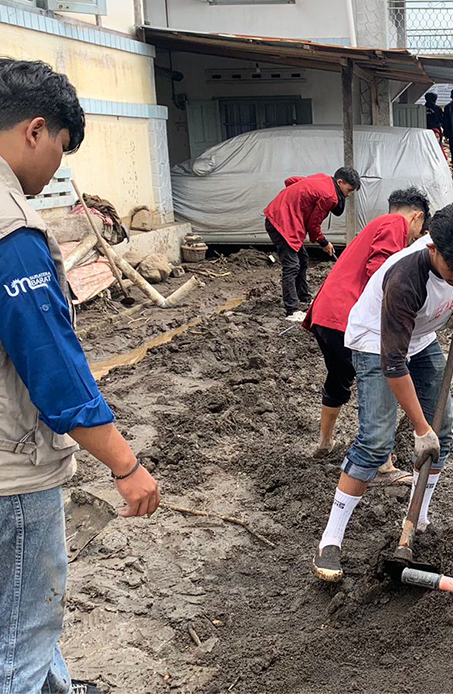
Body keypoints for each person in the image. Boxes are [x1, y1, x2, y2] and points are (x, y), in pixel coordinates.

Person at [0, 58, 160, 694]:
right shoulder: (13, 233)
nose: (56, 169)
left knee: (19, 614)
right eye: (61, 150)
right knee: (20, 636)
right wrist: (125, 464)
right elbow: (53, 368)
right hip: (11, 472)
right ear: (35, 130)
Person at [313, 202, 453, 581]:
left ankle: (418, 520)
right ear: (432, 247)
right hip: (376, 340)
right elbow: (394, 364)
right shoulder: (405, 278)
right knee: (376, 442)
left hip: (420, 336)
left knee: (443, 430)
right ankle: (331, 539)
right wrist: (419, 428)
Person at [303, 187, 431, 462]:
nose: (413, 240)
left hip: (325, 314)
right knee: (381, 380)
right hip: (346, 316)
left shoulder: (377, 223)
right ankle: (382, 463)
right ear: (417, 217)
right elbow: (382, 271)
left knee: (339, 377)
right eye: (417, 234)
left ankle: (325, 442)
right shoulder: (395, 224)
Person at [264, 167, 361, 321]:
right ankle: (292, 310)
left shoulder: (322, 178)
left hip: (282, 216)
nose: (348, 194)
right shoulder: (330, 197)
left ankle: (304, 298)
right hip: (282, 222)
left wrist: (296, 202)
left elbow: (291, 181)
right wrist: (324, 243)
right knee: (292, 266)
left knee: (302, 259)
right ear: (340, 182)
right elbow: (313, 225)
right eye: (349, 190)